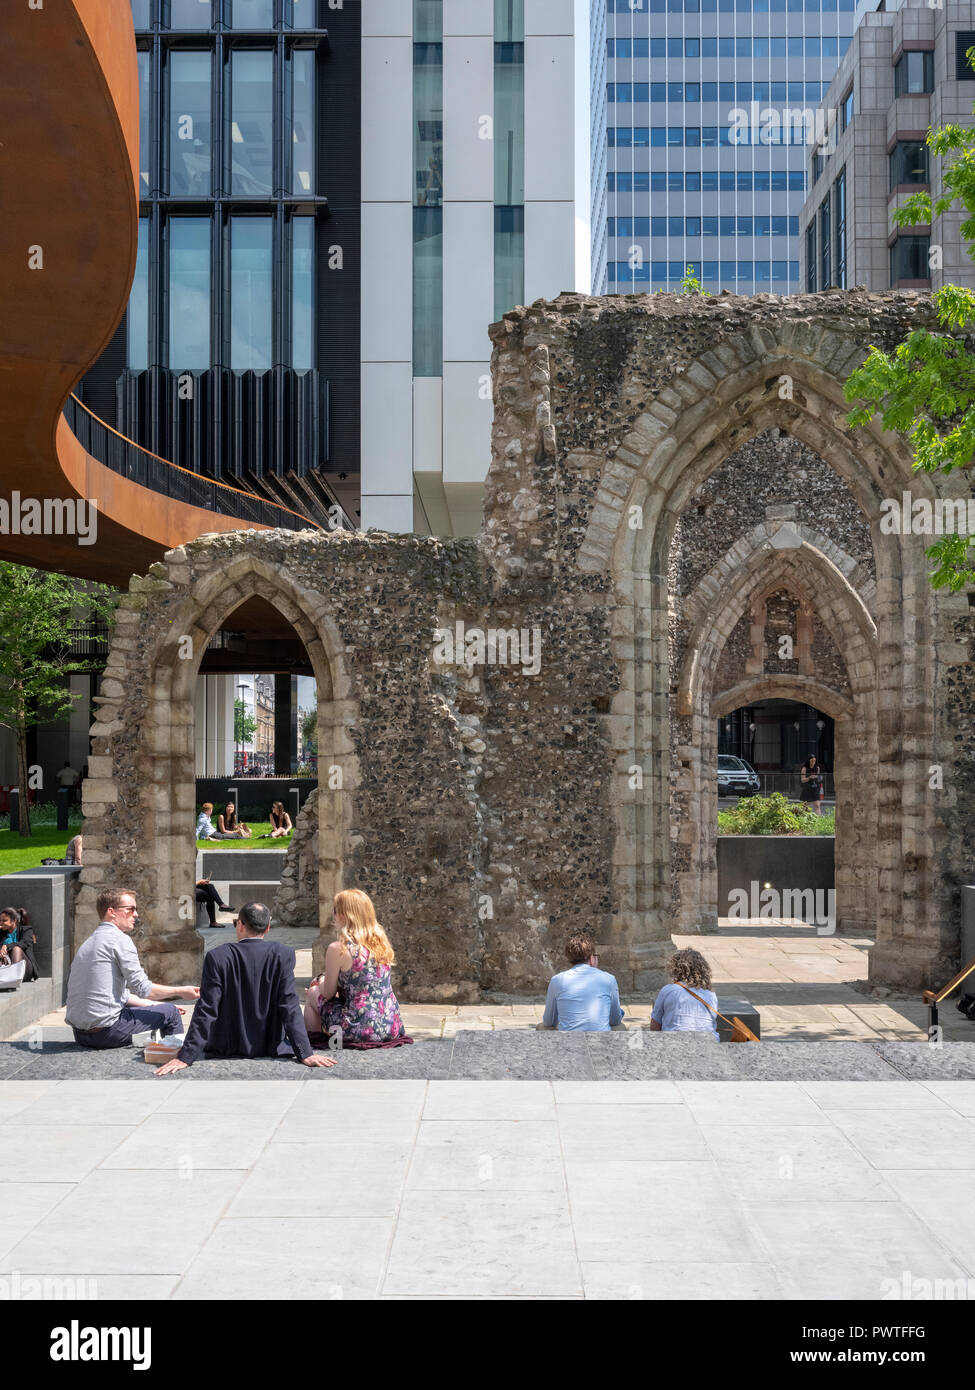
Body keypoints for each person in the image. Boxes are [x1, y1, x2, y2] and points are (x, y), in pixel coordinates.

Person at [154, 902, 335, 1074]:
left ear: (240, 924)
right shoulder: (282, 954)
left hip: (226, 1047)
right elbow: (289, 1006)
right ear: (267, 928)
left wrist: (186, 1057)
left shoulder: (218, 957)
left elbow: (207, 1010)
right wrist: (305, 1053)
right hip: (270, 1045)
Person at [65, 888, 200, 1049]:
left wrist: (156, 1007)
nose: (136, 914)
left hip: (81, 1035)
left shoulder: (89, 943)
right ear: (111, 912)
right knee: (171, 1014)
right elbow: (144, 989)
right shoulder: (119, 940)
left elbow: (122, 996)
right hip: (107, 1033)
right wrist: (180, 991)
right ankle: (174, 1058)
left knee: (165, 1009)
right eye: (130, 909)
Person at [303, 889, 409, 1047]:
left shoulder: (339, 949)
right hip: (390, 1025)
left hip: (358, 1029)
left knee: (313, 994)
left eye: (335, 911)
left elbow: (328, 993)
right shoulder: (382, 944)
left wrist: (320, 981)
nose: (333, 915)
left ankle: (317, 1043)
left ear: (344, 916)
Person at [537, 932, 625, 1031]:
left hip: (568, 1042)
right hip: (599, 1041)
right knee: (620, 1027)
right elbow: (615, 1020)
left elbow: (549, 1022)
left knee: (541, 1027)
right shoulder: (609, 979)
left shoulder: (557, 980)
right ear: (591, 957)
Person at [650, 948, 719, 1036]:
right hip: (708, 1044)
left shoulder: (668, 990)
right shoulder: (711, 995)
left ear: (675, 969)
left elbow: (655, 1025)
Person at [0, 907, 39, 983]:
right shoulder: (1, 932)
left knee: (16, 949)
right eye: (0, 920)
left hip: (25, 969)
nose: (0, 923)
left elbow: (24, 943)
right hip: (6, 965)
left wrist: (6, 947)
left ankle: (13, 978)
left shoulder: (26, 930)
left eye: (4, 921)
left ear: (14, 921)